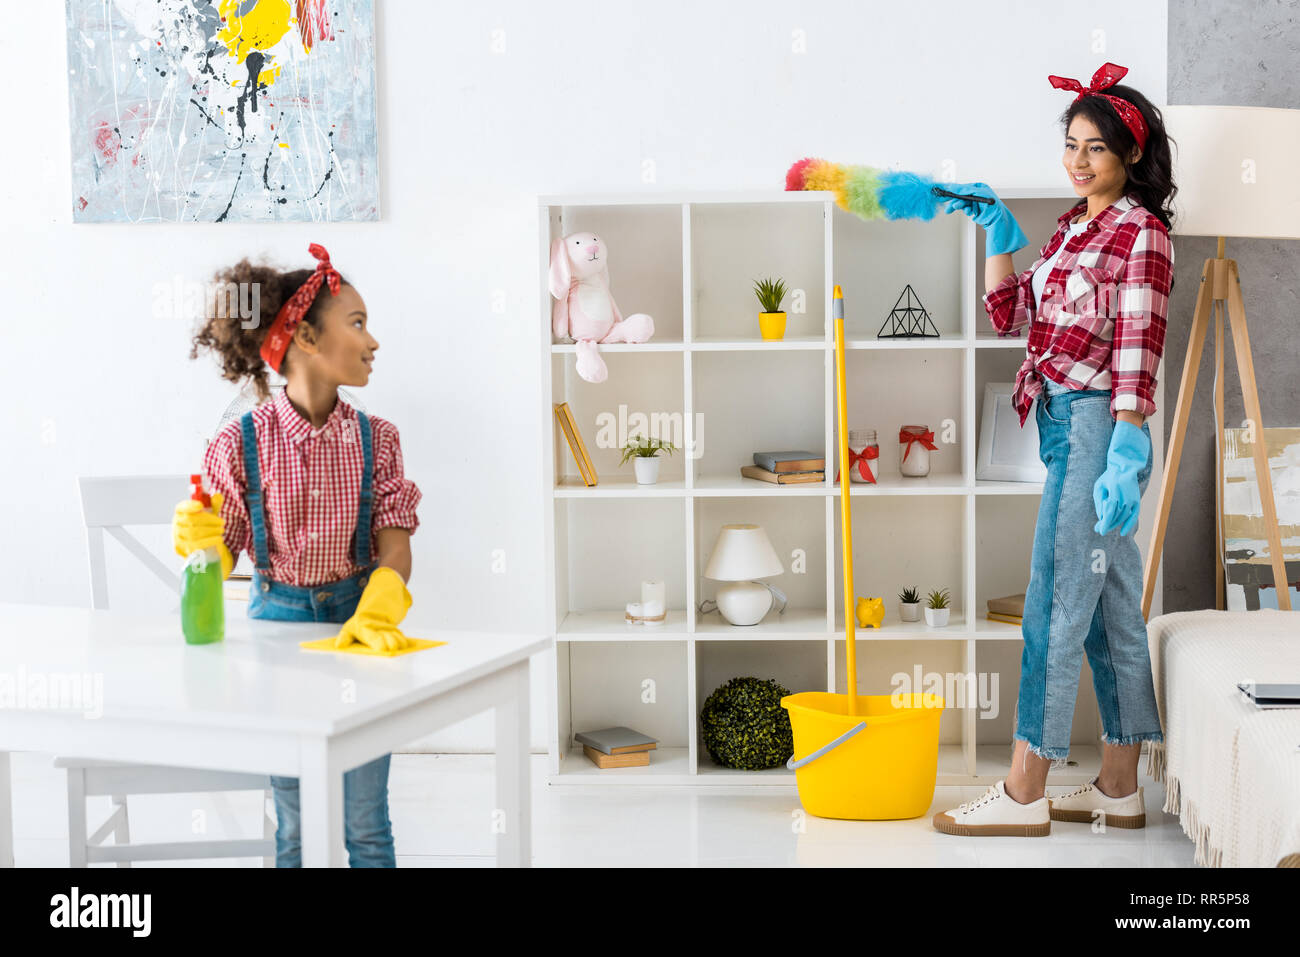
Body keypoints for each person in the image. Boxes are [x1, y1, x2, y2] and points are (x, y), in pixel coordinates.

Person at [934, 63, 1176, 836]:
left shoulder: (1142, 234)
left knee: (1053, 598)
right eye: (1070, 145)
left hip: (1100, 426)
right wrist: (998, 235)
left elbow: (1138, 345)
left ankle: (1024, 786)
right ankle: (1116, 786)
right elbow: (1012, 316)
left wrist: (1128, 449)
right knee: (1107, 610)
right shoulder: (1075, 227)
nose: (1078, 161)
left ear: (1129, 155)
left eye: (1095, 148)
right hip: (1063, 420)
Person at [172, 243, 422, 864]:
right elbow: (222, 556)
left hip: (358, 628)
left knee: (367, 823)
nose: (374, 341)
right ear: (306, 336)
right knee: (297, 825)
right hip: (274, 633)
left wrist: (382, 601)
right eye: (358, 324)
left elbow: (395, 546)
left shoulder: (378, 440)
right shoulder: (238, 443)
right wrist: (202, 546)